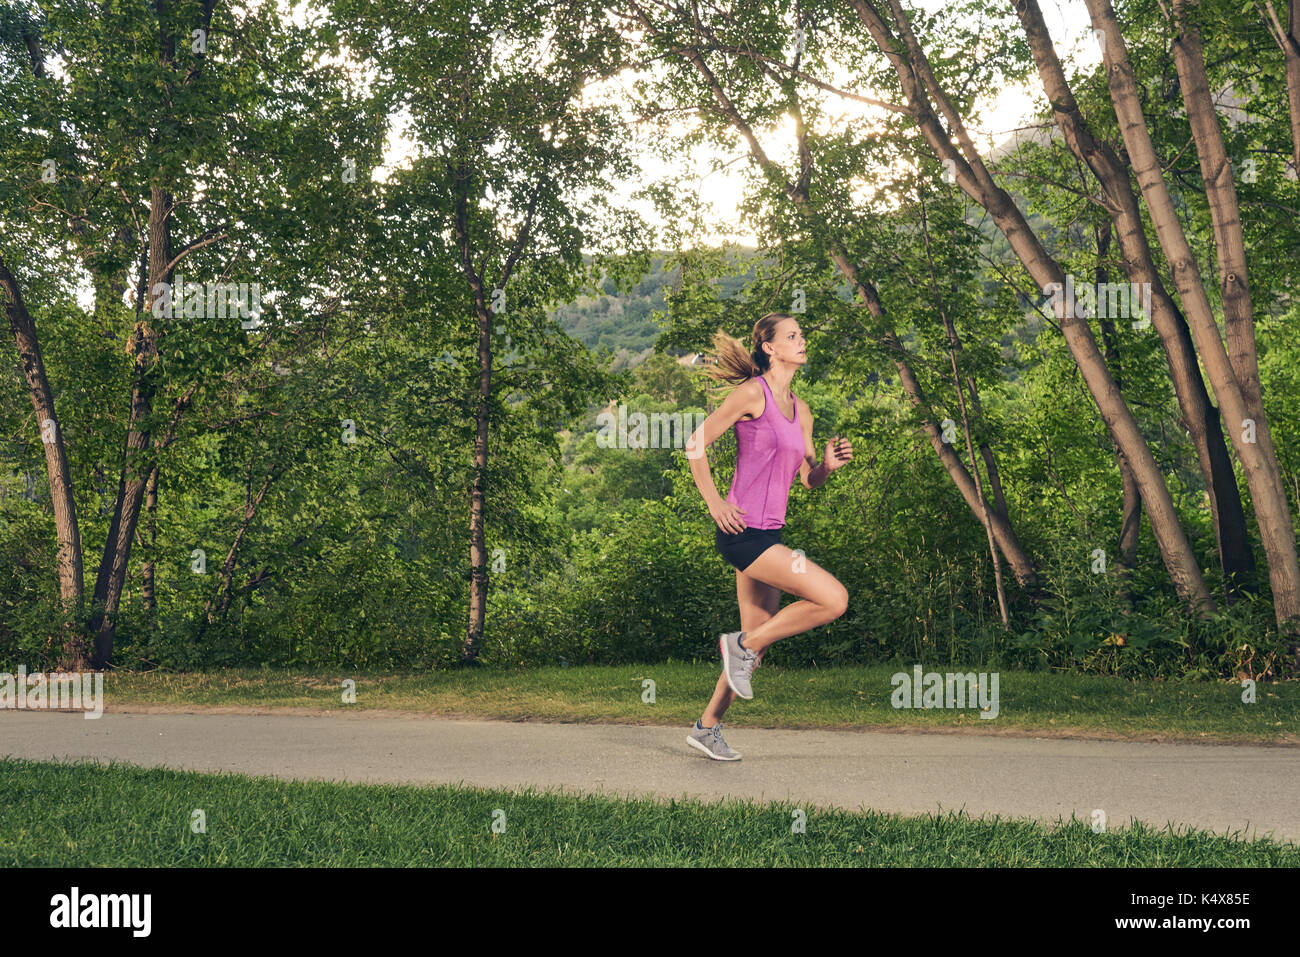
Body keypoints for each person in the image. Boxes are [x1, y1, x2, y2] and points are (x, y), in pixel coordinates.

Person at [683, 312, 852, 761]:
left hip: (770, 534)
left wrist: (828, 468)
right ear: (770, 348)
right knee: (834, 599)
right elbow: (695, 444)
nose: (801, 341)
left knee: (754, 647)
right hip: (742, 534)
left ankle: (707, 726)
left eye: (802, 334)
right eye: (792, 336)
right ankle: (740, 645)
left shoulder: (802, 410)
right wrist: (716, 503)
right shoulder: (751, 394)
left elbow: (807, 479)